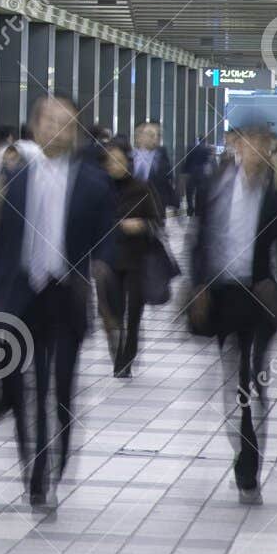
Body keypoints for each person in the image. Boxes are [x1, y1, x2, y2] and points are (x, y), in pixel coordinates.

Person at [0, 94, 113, 512]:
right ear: (35, 126)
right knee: (26, 388)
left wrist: (101, 273)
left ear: (75, 131)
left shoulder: (93, 183)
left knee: (60, 387)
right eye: (47, 120)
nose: (54, 129)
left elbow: (106, 239)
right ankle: (35, 467)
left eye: (64, 122)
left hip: (66, 295)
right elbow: (3, 245)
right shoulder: (16, 179)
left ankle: (54, 458)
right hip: (24, 296)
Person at [189, 121, 277, 505]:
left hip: (261, 296)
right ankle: (244, 448)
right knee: (234, 377)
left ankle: (250, 460)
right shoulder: (214, 190)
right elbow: (199, 241)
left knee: (253, 376)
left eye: (263, 144)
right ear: (237, 145)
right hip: (225, 295)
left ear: (270, 149)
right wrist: (199, 284)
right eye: (249, 142)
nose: (255, 150)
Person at [93, 134, 161, 378]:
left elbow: (157, 222)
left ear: (128, 162)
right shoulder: (100, 190)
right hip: (109, 260)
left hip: (136, 260)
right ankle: (117, 350)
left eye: (119, 160)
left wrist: (141, 225)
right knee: (113, 312)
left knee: (133, 314)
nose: (114, 166)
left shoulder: (142, 188)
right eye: (110, 161)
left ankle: (126, 360)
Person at [133, 121, 178, 216]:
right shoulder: (127, 159)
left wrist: (173, 204)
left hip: (156, 212)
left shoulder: (162, 161)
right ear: (139, 137)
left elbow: (167, 184)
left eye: (158, 135)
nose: (155, 138)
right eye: (151, 135)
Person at [183, 135, 214, 217]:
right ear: (205, 141)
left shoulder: (191, 148)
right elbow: (208, 163)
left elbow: (187, 161)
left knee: (189, 192)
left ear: (199, 140)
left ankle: (190, 209)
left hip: (191, 173)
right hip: (202, 174)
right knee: (200, 193)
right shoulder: (206, 149)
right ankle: (198, 210)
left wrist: (185, 172)